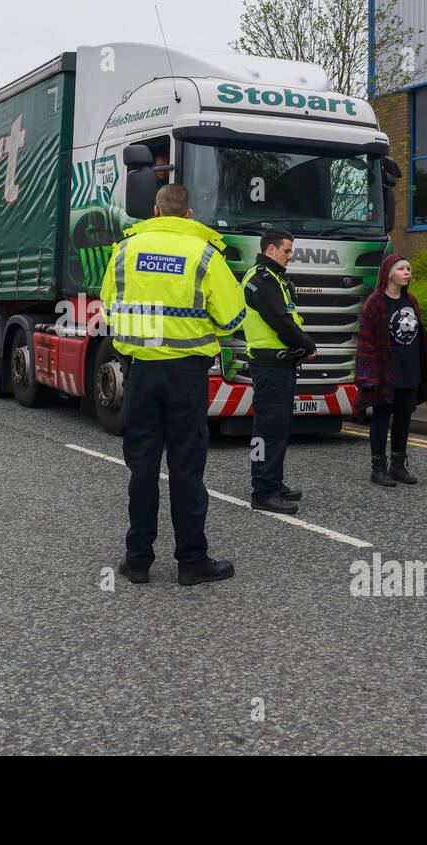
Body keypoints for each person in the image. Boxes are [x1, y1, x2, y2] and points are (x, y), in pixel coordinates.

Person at [100, 183, 247, 586]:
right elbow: (233, 318)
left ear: (154, 209)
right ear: (187, 215)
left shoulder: (125, 251)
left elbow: (109, 305)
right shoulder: (204, 253)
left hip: (142, 372)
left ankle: (138, 562)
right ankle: (191, 562)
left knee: (142, 469)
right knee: (186, 470)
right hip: (187, 377)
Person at [241, 227, 317, 513]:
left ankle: (273, 481)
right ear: (270, 249)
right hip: (268, 365)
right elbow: (281, 320)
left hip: (281, 364)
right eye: (286, 251)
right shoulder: (260, 280)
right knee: (267, 429)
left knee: (278, 427)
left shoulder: (275, 278)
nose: (290, 256)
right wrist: (308, 344)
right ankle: (263, 490)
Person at [355, 254, 427, 487]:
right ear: (388, 274)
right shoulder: (375, 303)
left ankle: (398, 466)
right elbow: (366, 341)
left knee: (404, 418)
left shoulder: (411, 301)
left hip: (410, 369)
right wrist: (369, 375)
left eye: (408, 269)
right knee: (381, 419)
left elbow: (419, 337)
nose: (407, 273)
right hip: (386, 371)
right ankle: (378, 468)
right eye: (401, 269)